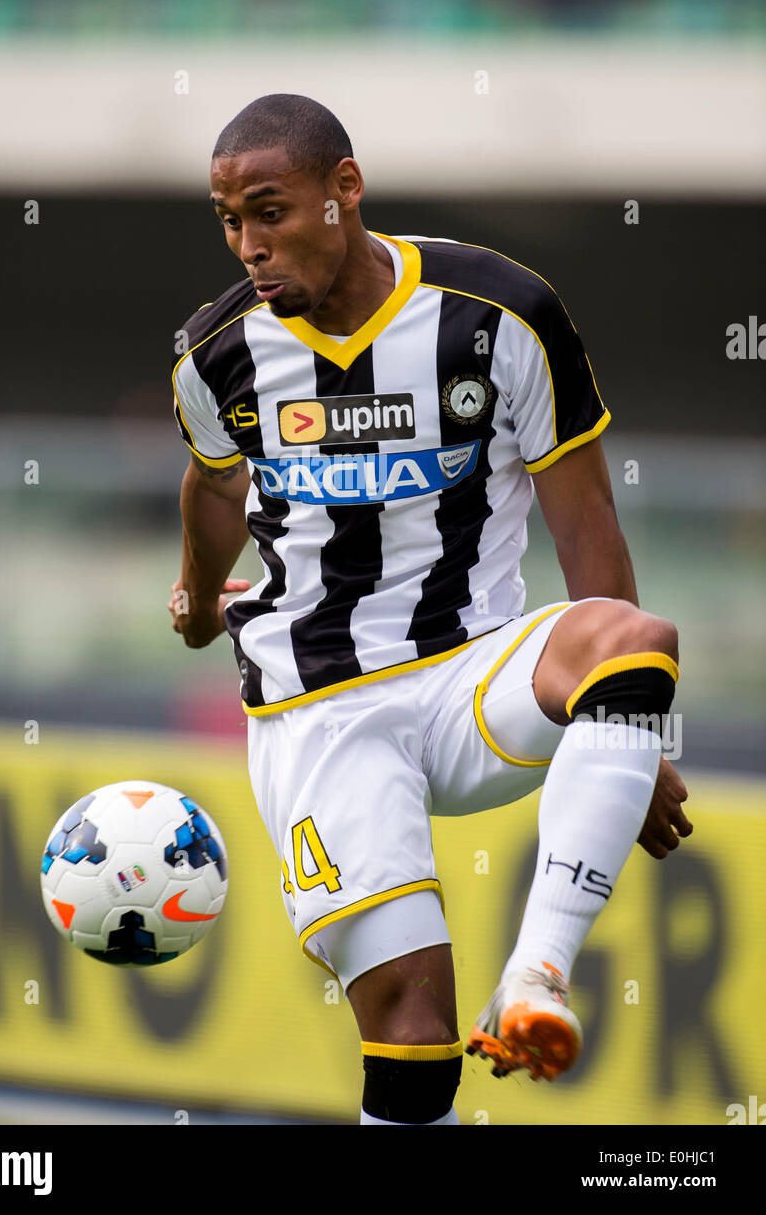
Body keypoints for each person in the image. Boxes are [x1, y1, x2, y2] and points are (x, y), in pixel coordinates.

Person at [168, 92, 692, 1126]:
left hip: (470, 671)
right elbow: (218, 482)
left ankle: (535, 976)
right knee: (412, 1036)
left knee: (634, 642)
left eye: (269, 211)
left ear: (343, 191)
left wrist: (625, 725)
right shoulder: (215, 351)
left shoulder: (499, 313)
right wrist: (193, 595)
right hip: (320, 710)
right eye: (230, 222)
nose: (250, 246)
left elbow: (584, 519)